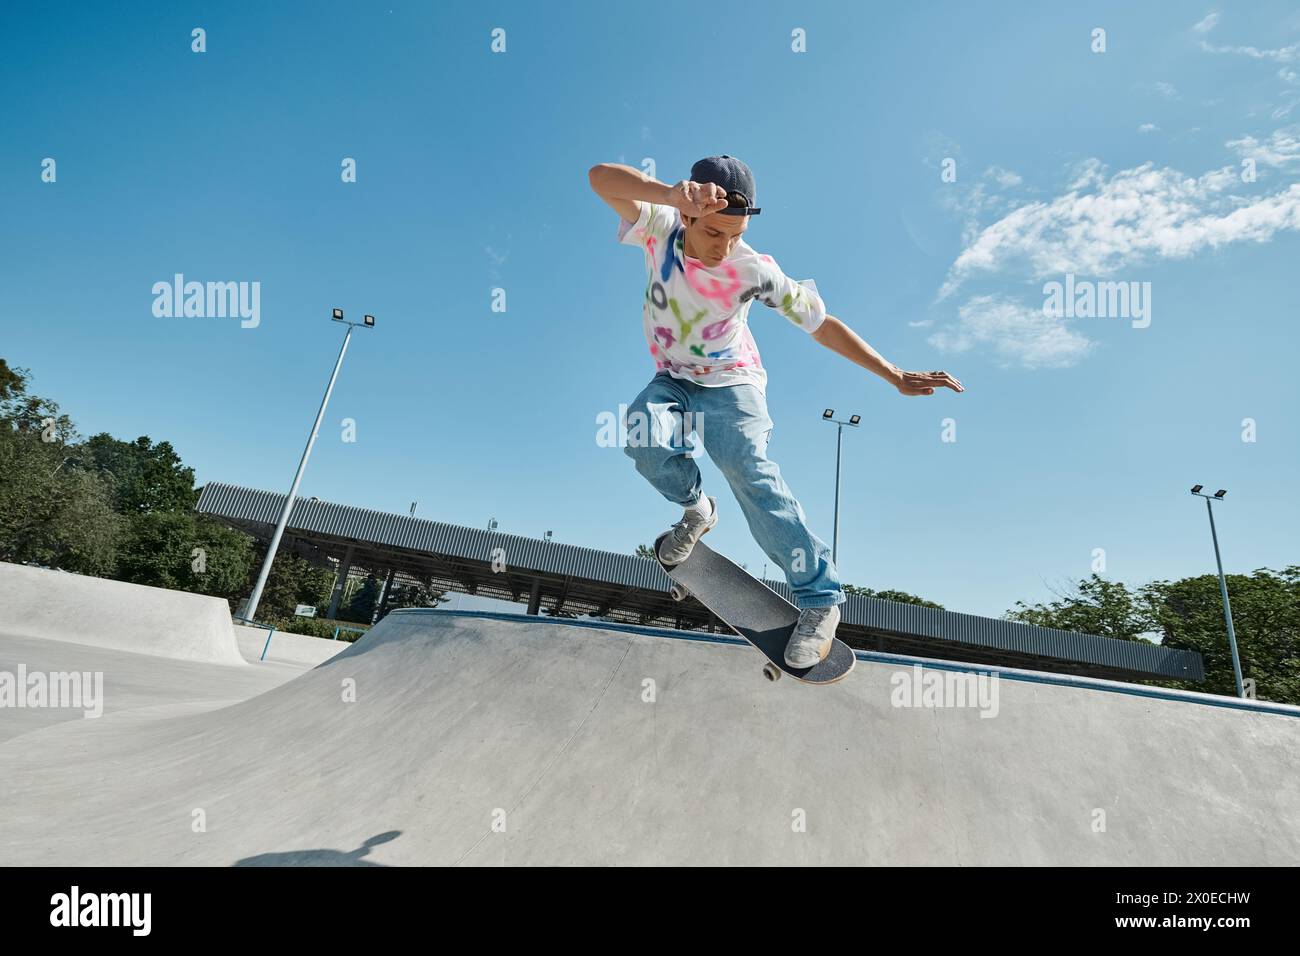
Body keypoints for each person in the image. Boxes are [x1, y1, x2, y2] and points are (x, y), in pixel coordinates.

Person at [589, 155, 963, 667]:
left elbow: (822, 325)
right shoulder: (659, 223)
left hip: (732, 383)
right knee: (639, 433)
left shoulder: (754, 269)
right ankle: (698, 508)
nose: (725, 248)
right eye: (715, 234)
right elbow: (599, 178)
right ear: (689, 216)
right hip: (672, 378)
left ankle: (821, 599)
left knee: (748, 470)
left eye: (735, 235)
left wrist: (894, 375)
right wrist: (670, 195)